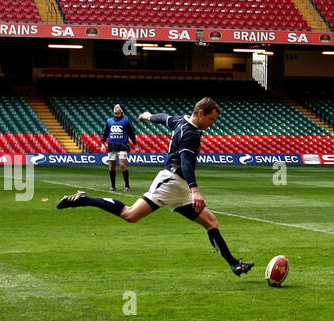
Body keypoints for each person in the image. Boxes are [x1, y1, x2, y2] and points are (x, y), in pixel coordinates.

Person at [55, 97, 254, 277]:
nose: (212, 124)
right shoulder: (191, 134)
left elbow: (164, 118)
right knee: (130, 214)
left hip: (180, 187)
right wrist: (195, 190)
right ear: (201, 113)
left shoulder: (180, 121)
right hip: (170, 182)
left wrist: (149, 116)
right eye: (211, 119)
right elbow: (185, 161)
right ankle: (84, 199)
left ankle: (234, 264)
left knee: (211, 222)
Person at [102, 103, 136, 191]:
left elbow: (131, 132)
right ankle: (113, 186)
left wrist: (135, 144)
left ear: (121, 110)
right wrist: (102, 143)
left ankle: (127, 185)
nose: (115, 108)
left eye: (117, 107)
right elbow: (105, 132)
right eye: (115, 107)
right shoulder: (109, 121)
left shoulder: (126, 120)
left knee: (122, 164)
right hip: (112, 146)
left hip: (123, 145)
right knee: (112, 166)